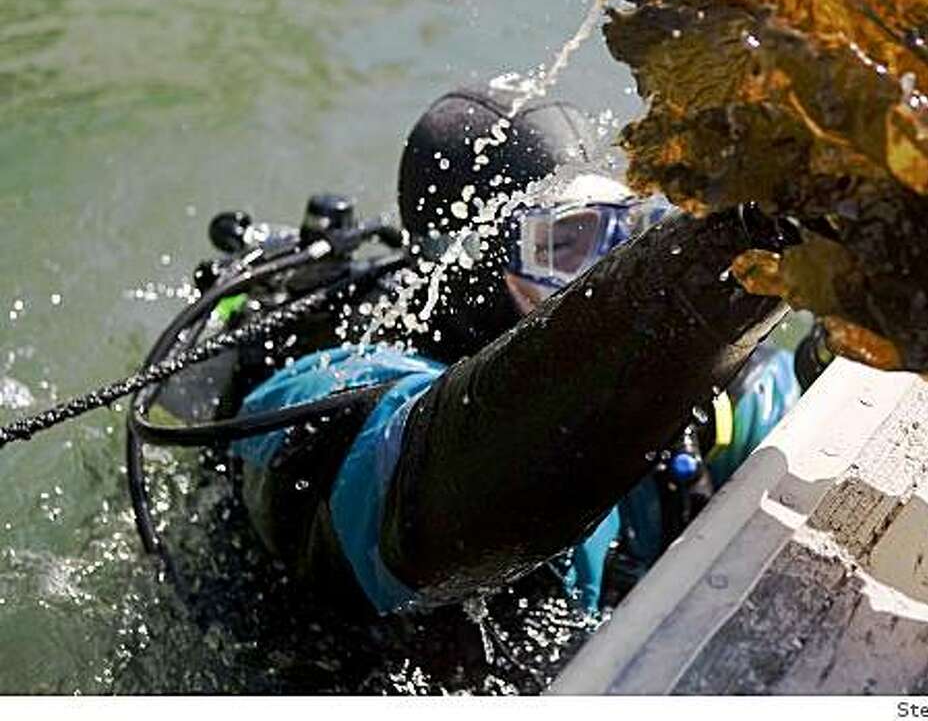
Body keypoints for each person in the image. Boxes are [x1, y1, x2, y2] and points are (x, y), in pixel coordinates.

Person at [224, 86, 818, 617]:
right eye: (566, 242)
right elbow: (451, 491)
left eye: (631, 232)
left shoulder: (717, 393)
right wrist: (728, 241)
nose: (607, 271)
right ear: (476, 269)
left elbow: (813, 452)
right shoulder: (338, 387)